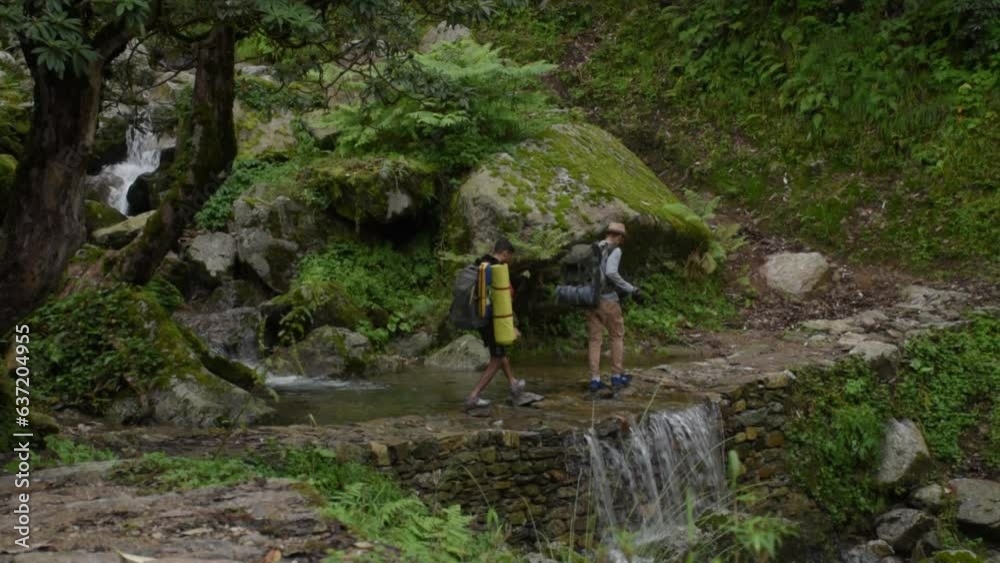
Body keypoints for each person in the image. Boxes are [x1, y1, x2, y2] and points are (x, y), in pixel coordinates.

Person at [464, 238, 526, 410]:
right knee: (497, 358)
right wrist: (510, 326)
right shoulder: (496, 270)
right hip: (493, 320)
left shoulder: (481, 264)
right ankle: (473, 397)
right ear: (505, 253)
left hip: (481, 318)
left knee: (499, 351)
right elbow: (499, 301)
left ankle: (513, 384)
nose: (511, 260)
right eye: (510, 256)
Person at [587, 222, 644, 392]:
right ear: (618, 236)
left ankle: (595, 379)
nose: (621, 241)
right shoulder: (615, 250)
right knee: (616, 336)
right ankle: (616, 376)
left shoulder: (594, 247)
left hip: (589, 300)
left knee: (595, 340)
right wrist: (632, 289)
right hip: (608, 300)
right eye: (622, 238)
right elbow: (611, 272)